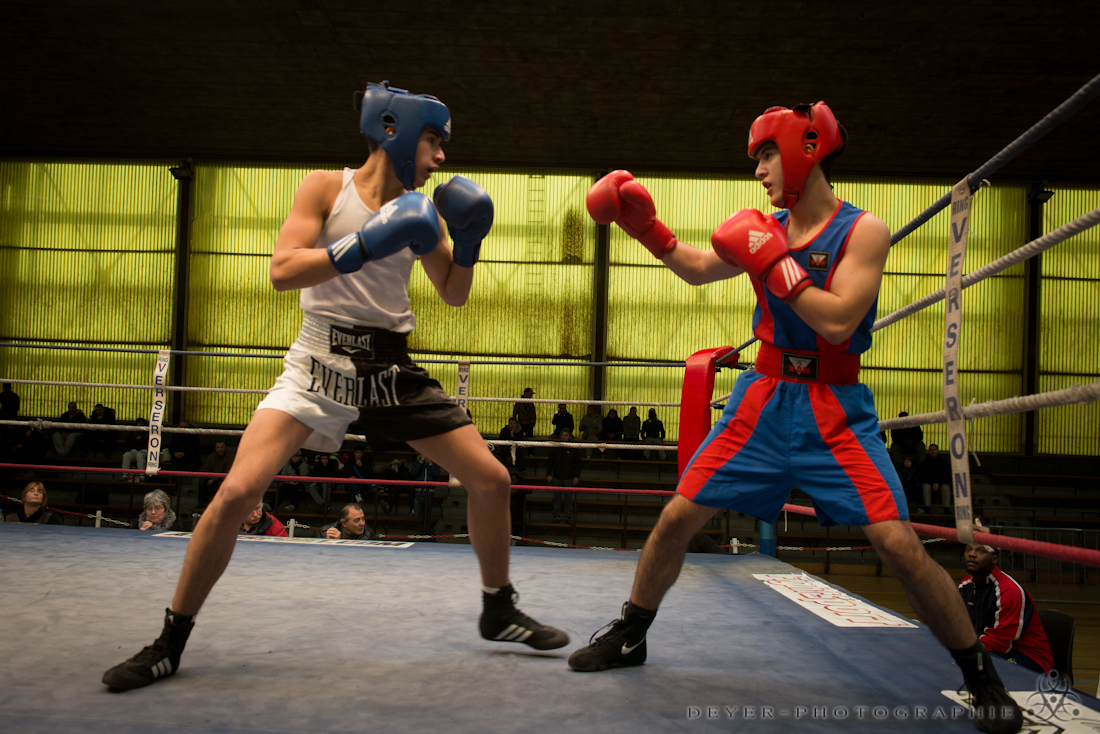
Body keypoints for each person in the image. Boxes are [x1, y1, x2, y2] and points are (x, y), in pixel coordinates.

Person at [569, 102, 1021, 733]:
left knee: (898, 544)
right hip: (763, 393)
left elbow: (838, 321)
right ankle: (631, 633)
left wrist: (772, 260)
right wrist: (646, 228)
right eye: (755, 158)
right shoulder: (764, 226)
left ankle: (980, 675)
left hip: (835, 406)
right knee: (678, 516)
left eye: (765, 153)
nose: (757, 169)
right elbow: (700, 269)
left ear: (805, 147)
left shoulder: (864, 231)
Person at [102, 81, 566, 692]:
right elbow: (282, 270)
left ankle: (498, 608)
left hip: (390, 370)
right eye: (435, 141)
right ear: (395, 131)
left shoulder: (421, 213)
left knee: (493, 480)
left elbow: (453, 292)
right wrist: (363, 243)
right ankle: (169, 641)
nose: (442, 158)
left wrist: (471, 240)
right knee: (238, 491)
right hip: (317, 358)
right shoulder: (326, 186)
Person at [959, 542, 1054, 675]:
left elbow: (999, 644)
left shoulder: (1010, 592)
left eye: (980, 551)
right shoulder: (965, 585)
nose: (972, 554)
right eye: (968, 549)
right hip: (990, 649)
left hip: (1030, 657)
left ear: (994, 559)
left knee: (972, 665)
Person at [546, 429, 581, 524]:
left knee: (568, 499)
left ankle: (568, 517)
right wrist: (549, 474)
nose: (564, 437)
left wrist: (576, 476)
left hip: (569, 478)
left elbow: (578, 463)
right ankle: (556, 516)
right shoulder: (556, 447)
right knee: (556, 499)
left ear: (569, 436)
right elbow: (550, 462)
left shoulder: (573, 448)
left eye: (566, 435)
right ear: (560, 436)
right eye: (562, 435)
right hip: (557, 477)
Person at [409, 453, 441, 534]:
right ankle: (430, 532)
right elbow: (413, 472)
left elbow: (436, 474)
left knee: (427, 516)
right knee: (417, 516)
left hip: (429, 492)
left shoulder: (434, 463)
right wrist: (421, 461)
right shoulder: (418, 462)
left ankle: (424, 536)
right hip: (418, 491)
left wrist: (430, 462)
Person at [199, 440, 235, 506]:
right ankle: (201, 502)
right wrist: (211, 477)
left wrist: (215, 478)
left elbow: (229, 471)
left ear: (225, 448)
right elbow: (207, 468)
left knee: (226, 480)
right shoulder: (211, 456)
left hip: (223, 478)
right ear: (215, 448)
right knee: (202, 479)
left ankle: (224, 503)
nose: (220, 449)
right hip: (211, 478)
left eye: (222, 447)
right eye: (218, 447)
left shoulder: (230, 457)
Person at [920, 443, 951, 509]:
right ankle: (927, 508)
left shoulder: (943, 463)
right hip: (928, 483)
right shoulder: (924, 463)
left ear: (937, 451)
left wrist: (938, 483)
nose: (933, 451)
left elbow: (947, 476)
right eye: (931, 450)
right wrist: (932, 484)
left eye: (934, 450)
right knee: (926, 487)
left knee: (946, 488)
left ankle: (946, 509)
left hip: (940, 484)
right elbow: (923, 476)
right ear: (929, 451)